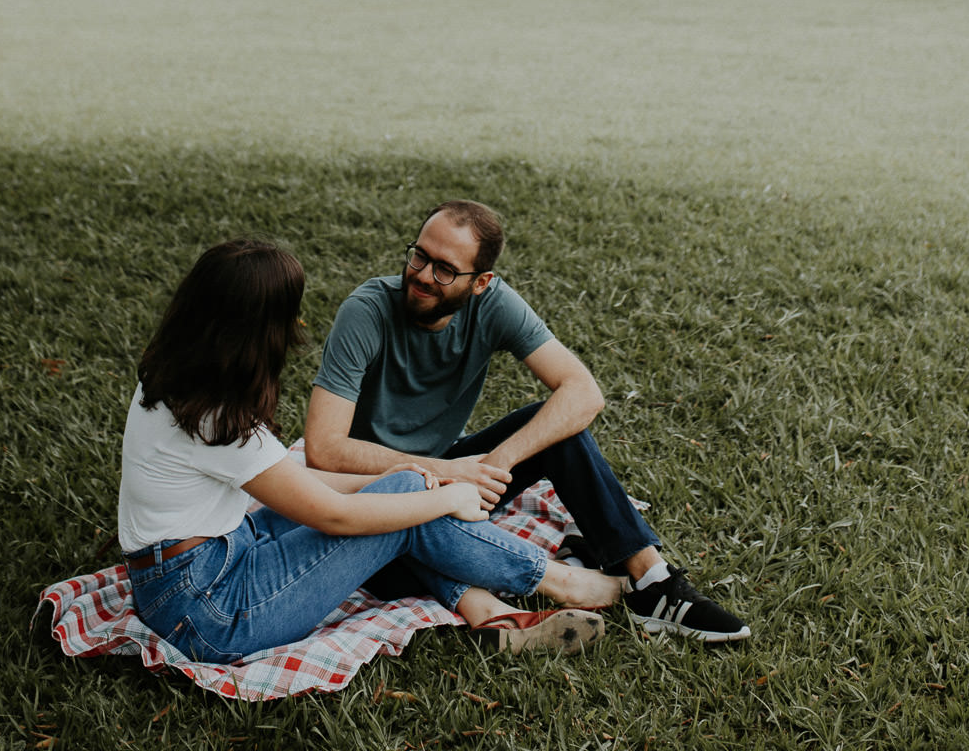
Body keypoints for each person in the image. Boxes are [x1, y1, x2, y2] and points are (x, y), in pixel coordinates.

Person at [117, 237, 628, 661]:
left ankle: (488, 611)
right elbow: (335, 516)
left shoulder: (176, 380)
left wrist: (393, 481)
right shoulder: (216, 419)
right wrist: (448, 495)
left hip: (208, 563)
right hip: (210, 612)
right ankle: (564, 583)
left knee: (401, 492)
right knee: (402, 508)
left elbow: (295, 480)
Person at [304, 200, 750, 644]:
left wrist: (493, 466)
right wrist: (448, 472)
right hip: (373, 488)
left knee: (554, 426)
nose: (422, 275)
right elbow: (323, 450)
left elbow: (582, 392)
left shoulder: (493, 304)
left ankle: (651, 580)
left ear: (480, 283)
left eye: (445, 269)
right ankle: (537, 588)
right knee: (389, 552)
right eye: (419, 256)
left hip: (454, 478)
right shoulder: (365, 312)